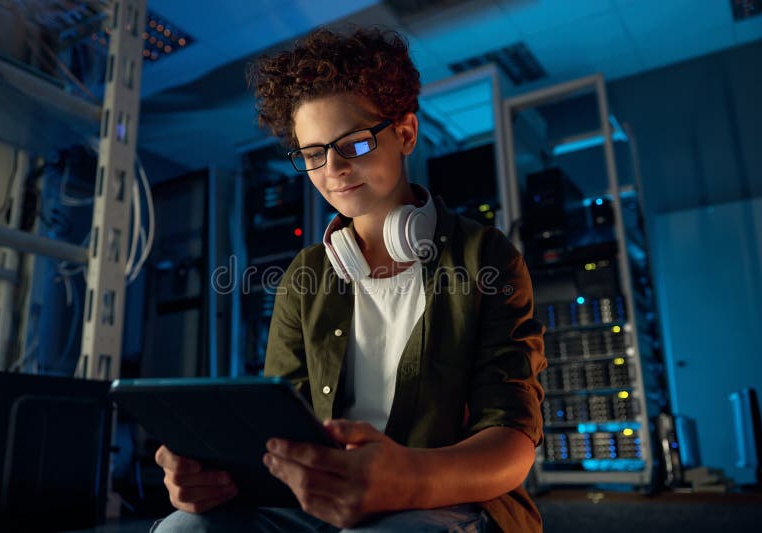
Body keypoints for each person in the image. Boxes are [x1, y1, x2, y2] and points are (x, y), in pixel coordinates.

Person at [152, 27, 547, 533]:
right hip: (319, 502)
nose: (332, 169)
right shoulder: (305, 276)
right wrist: (215, 474)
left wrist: (405, 480)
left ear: (405, 133)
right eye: (313, 153)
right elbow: (278, 430)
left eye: (354, 143)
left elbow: (512, 441)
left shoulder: (485, 256)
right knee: (181, 529)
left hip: (446, 501)